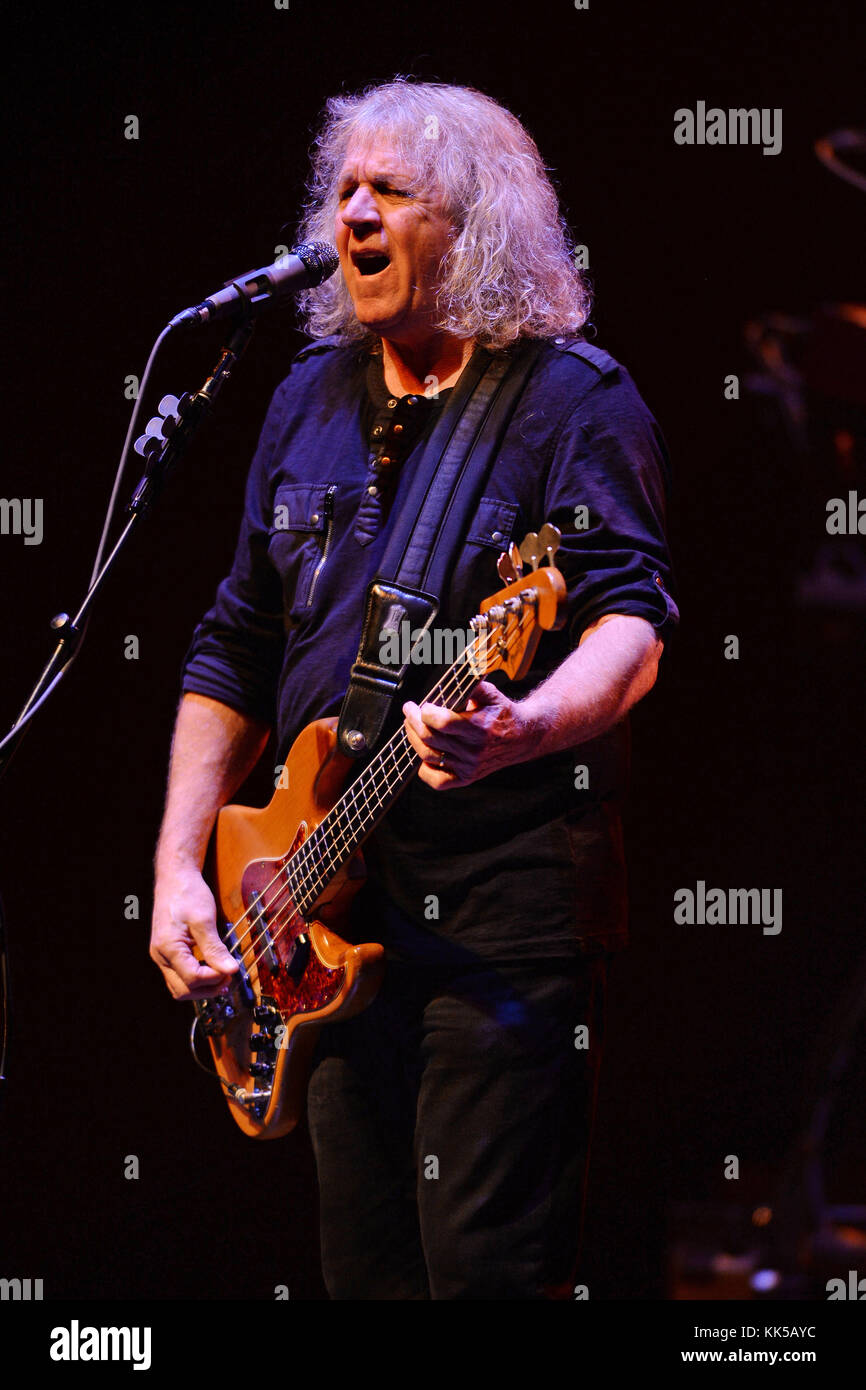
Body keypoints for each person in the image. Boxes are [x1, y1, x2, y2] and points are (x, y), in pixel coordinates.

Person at [149, 78, 679, 1300]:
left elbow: (629, 620)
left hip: (500, 921)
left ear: (476, 221)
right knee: (366, 1275)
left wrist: (526, 724)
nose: (352, 212)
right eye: (341, 189)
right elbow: (232, 645)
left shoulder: (569, 402)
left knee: (483, 1272)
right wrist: (182, 863)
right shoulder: (304, 401)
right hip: (321, 922)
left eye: (390, 189)